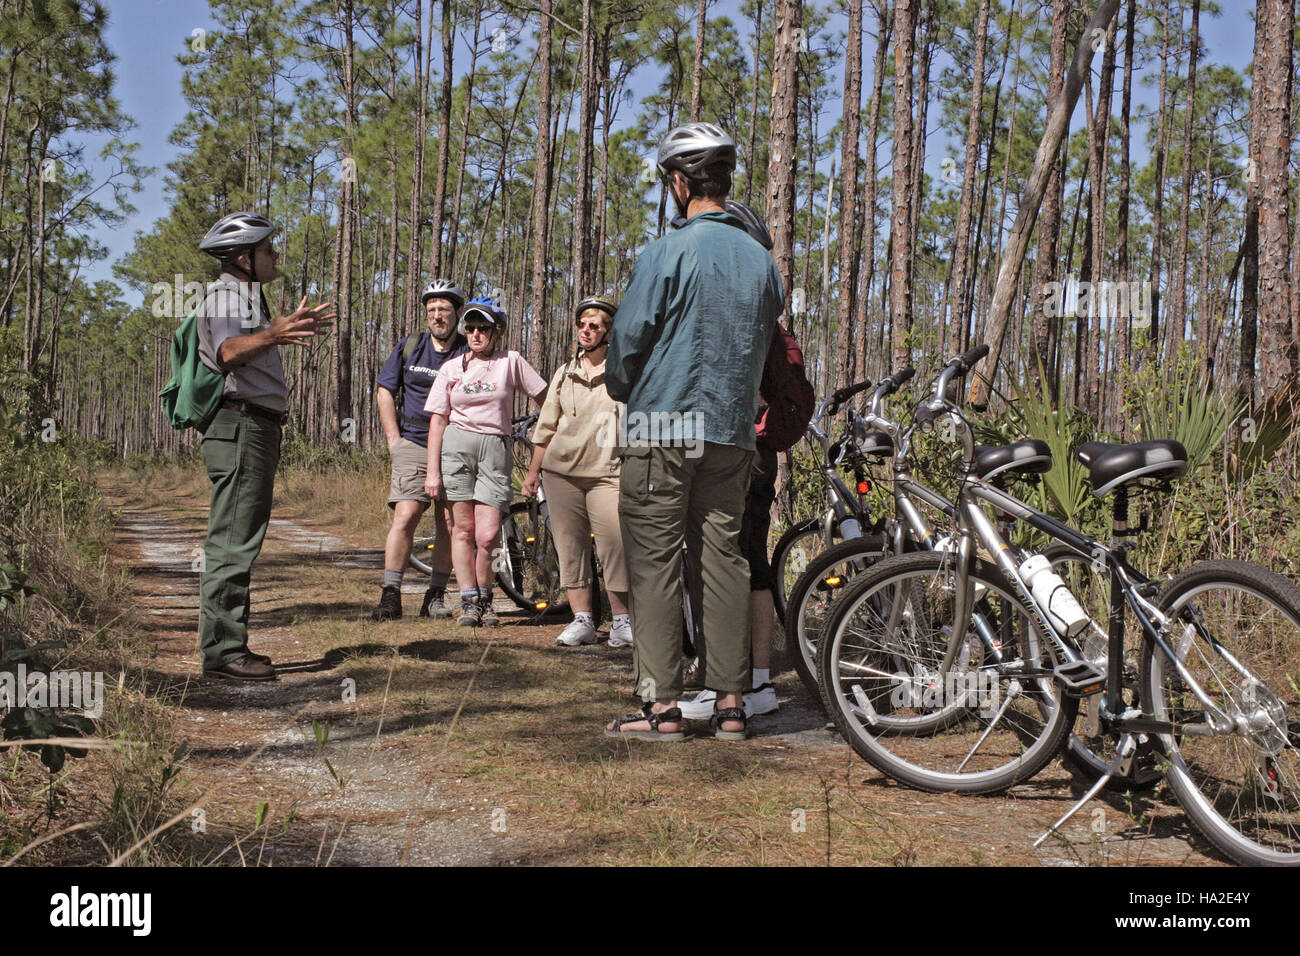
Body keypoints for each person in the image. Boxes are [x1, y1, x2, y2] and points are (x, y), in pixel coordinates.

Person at [603, 124, 783, 741]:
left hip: (663, 421)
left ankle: (660, 707)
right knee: (724, 561)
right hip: (732, 430)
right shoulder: (762, 260)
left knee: (654, 566)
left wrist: (625, 387)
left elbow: (627, 342)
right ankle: (731, 701)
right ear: (724, 182)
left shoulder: (665, 252)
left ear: (679, 183)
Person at [195, 211, 335, 681]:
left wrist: (276, 331)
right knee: (233, 540)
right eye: (268, 250)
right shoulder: (226, 295)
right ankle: (224, 652)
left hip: (253, 428)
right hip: (241, 427)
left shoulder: (245, 296)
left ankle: (230, 645)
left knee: (241, 537)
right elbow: (228, 353)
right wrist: (274, 334)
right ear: (244, 257)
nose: (275, 256)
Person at [679, 200, 782, 719]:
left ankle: (722, 687)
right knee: (750, 561)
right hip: (751, 450)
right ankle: (756, 682)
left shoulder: (743, 317)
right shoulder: (765, 307)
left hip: (737, 450)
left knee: (717, 561)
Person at [424, 298, 548, 627]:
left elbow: (546, 400)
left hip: (495, 449)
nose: (476, 334)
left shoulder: (511, 362)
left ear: (497, 332)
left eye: (484, 328)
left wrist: (546, 437)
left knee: (489, 535)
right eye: (470, 328)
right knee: (461, 531)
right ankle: (470, 601)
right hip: (457, 447)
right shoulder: (451, 368)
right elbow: (437, 421)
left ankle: (487, 597)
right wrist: (433, 471)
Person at [521, 296, 633, 649]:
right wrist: (532, 472)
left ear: (609, 333)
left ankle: (622, 622)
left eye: (594, 325)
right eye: (582, 324)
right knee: (570, 548)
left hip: (608, 473)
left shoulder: (622, 371)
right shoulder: (565, 372)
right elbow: (546, 426)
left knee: (614, 547)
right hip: (561, 474)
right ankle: (582, 620)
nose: (586, 330)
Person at [371, 280, 470, 621]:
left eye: (444, 309)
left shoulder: (467, 350)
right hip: (412, 440)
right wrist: (393, 439)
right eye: (432, 311)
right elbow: (385, 390)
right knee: (407, 515)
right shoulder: (411, 346)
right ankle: (390, 595)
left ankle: (435, 597)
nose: (437, 316)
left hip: (455, 444)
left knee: (449, 523)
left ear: (457, 313)